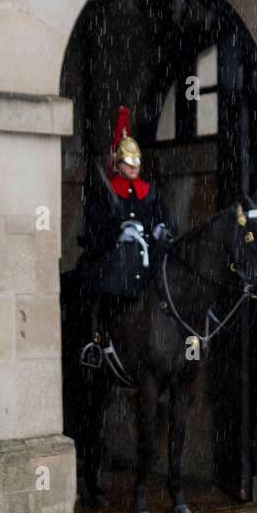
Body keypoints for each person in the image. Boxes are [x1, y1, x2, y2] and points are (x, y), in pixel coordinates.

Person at [76, 107, 174, 365]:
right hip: (115, 252)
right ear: (118, 164)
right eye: (128, 163)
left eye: (136, 163)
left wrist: (160, 228)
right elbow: (94, 226)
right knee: (100, 282)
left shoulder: (150, 191)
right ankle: (95, 342)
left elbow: (164, 215)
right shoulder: (106, 193)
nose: (133, 168)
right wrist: (118, 233)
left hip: (147, 253)